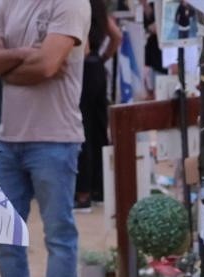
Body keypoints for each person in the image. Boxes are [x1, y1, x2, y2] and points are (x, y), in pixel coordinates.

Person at [0, 0, 90, 277]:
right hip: (10, 137)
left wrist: (6, 65)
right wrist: (28, 55)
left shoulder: (71, 3)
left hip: (55, 137)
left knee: (58, 231)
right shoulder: (4, 4)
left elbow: (47, 65)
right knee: (4, 230)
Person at [76, 0, 119, 211]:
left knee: (82, 130)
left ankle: (83, 194)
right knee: (100, 130)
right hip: (97, 70)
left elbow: (82, 48)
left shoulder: (77, 6)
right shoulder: (98, 7)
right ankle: (100, 189)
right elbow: (116, 36)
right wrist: (102, 58)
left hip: (81, 70)